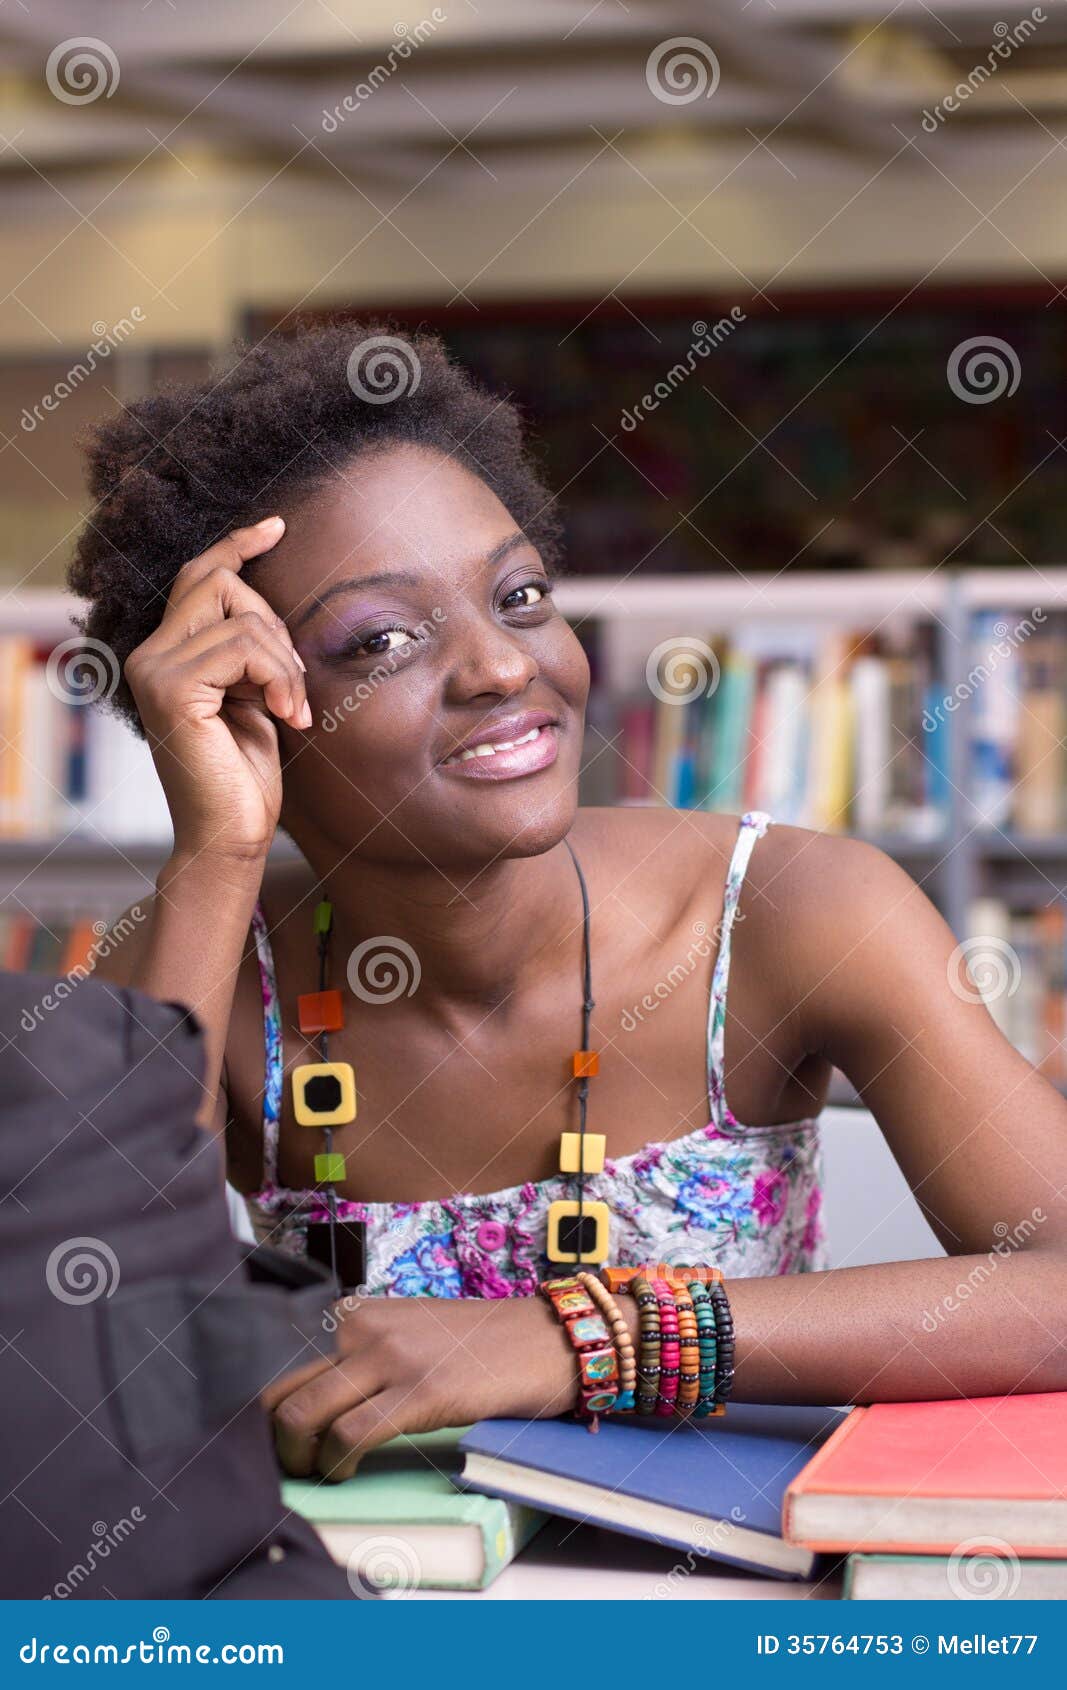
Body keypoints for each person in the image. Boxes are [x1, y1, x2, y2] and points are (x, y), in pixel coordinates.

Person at [73, 323, 1067, 1482]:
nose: (501, 666)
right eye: (382, 639)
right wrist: (218, 849)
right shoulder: (208, 957)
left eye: (520, 594)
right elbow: (88, 1345)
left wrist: (574, 1337)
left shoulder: (795, 908)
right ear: (245, 702)